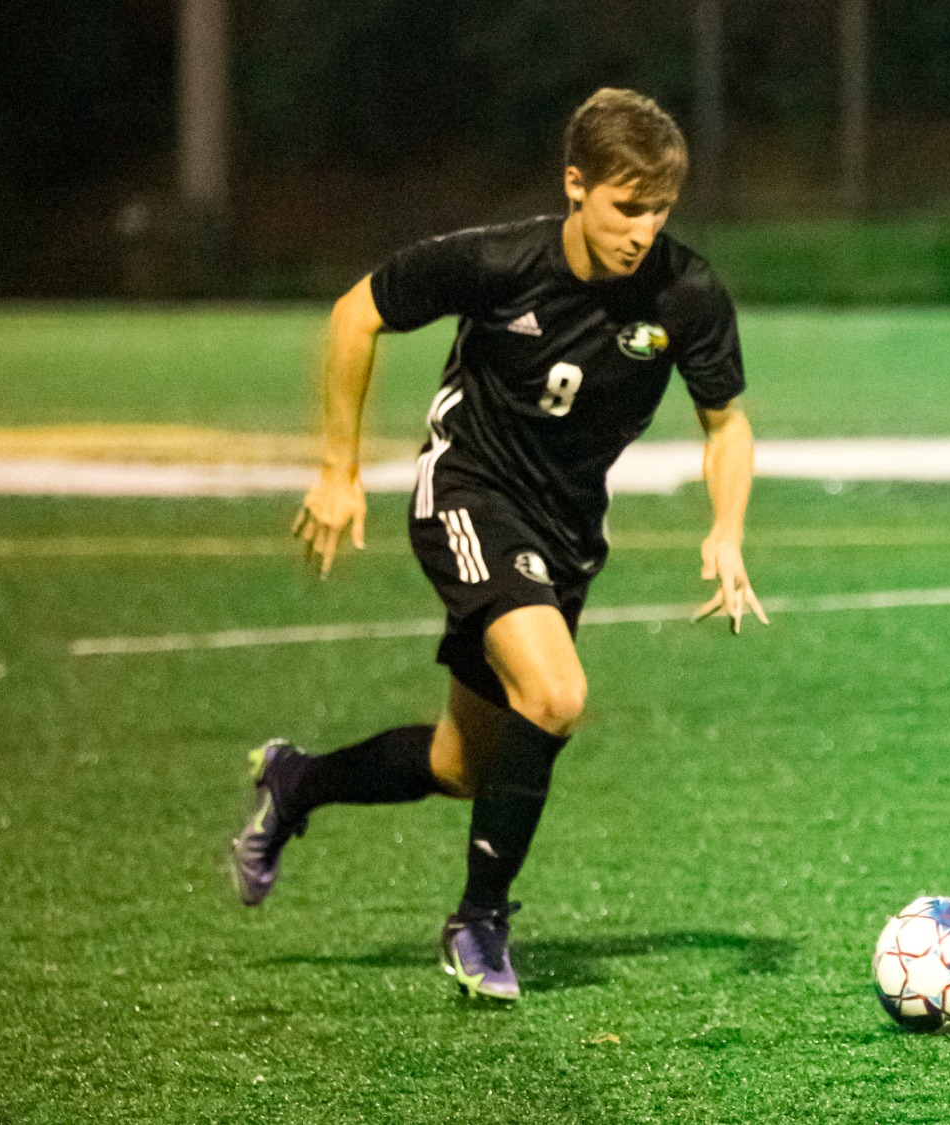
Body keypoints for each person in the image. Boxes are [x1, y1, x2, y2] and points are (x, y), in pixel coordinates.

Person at [230, 89, 766, 1001]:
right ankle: (479, 921)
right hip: (468, 490)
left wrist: (726, 529)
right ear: (575, 185)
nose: (643, 229)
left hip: (563, 530)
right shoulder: (497, 261)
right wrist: (337, 468)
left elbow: (727, 425)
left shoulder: (687, 293)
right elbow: (355, 313)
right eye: (625, 205)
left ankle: (298, 782)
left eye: (659, 208)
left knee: (460, 762)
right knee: (556, 692)